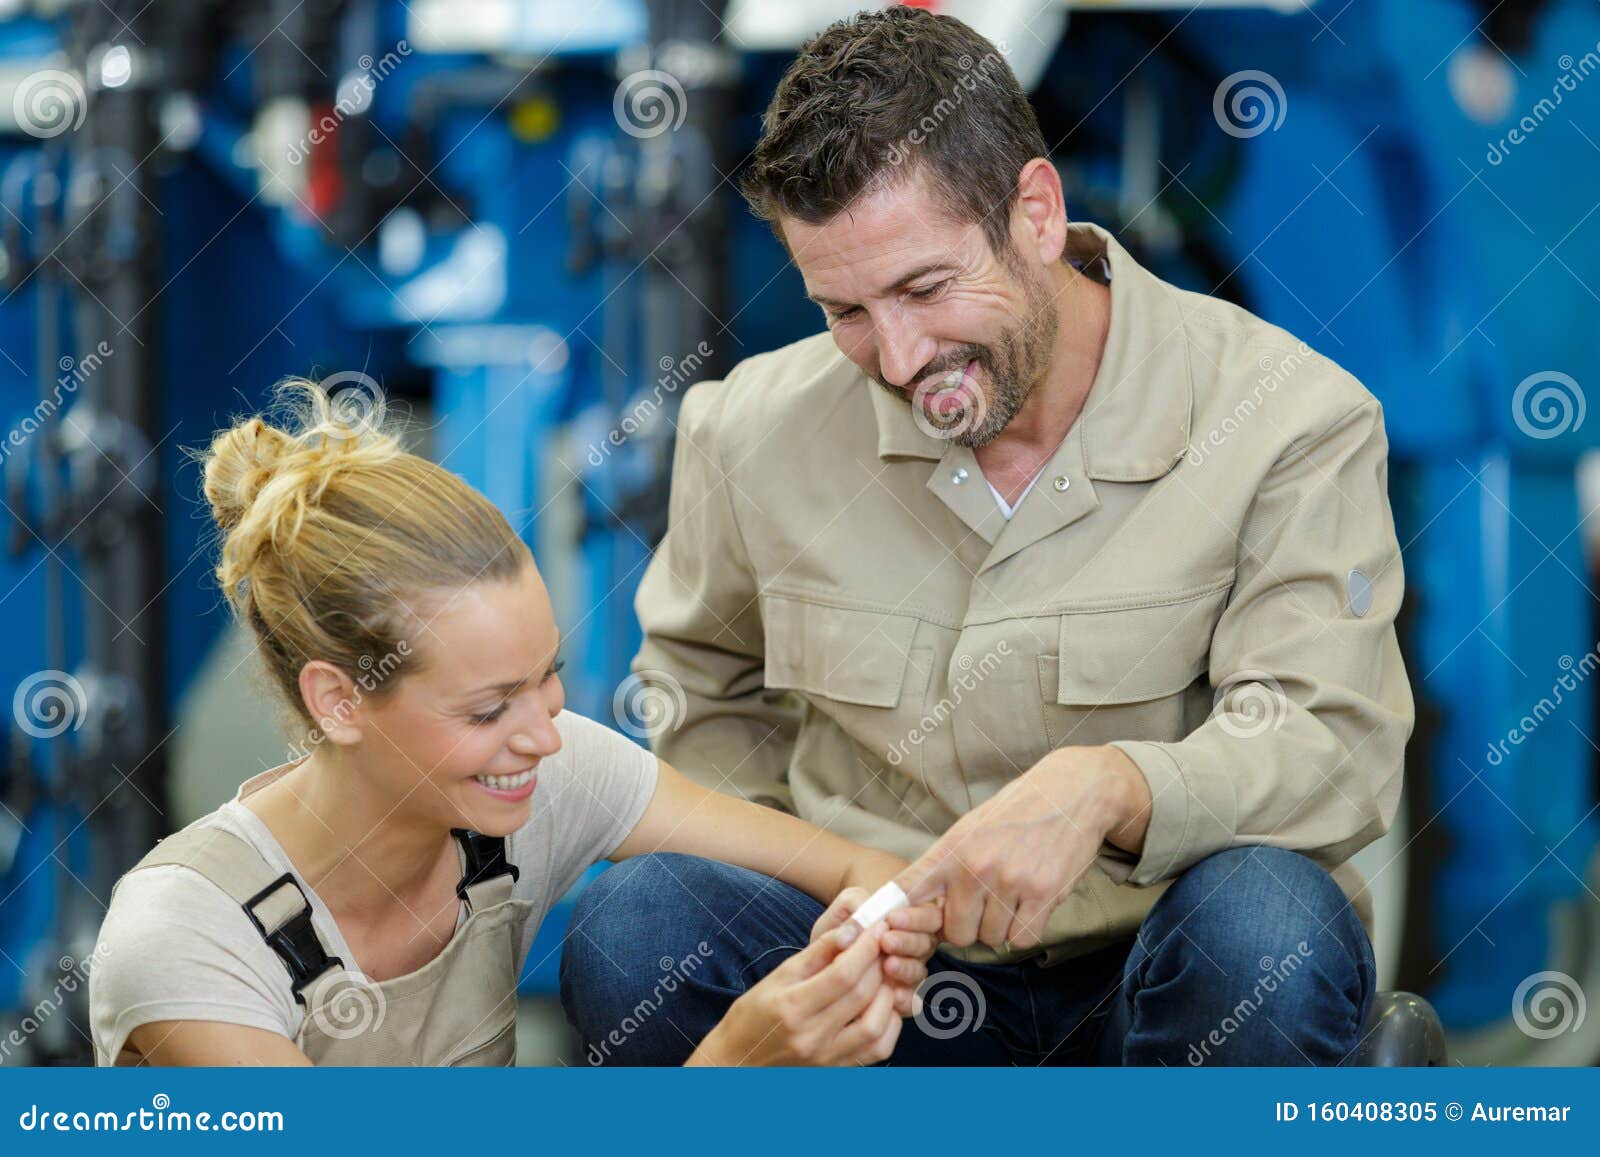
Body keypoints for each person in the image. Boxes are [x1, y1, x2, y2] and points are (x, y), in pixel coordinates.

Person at [561, 7, 1413, 1065]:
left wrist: (1114, 785)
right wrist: (834, 879)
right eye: (844, 310)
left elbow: (1328, 742)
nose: (900, 352)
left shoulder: (1286, 416)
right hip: (886, 977)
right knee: (635, 924)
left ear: (1038, 213)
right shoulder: (747, 430)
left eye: (925, 287)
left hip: (1157, 971)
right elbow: (703, 689)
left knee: (1266, 923)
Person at [87, 380, 940, 1067]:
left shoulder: (541, 773)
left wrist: (868, 941)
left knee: (649, 919)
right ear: (338, 700)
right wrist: (736, 1069)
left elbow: (864, 867)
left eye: (549, 678)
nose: (540, 733)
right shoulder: (188, 935)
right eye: (490, 707)